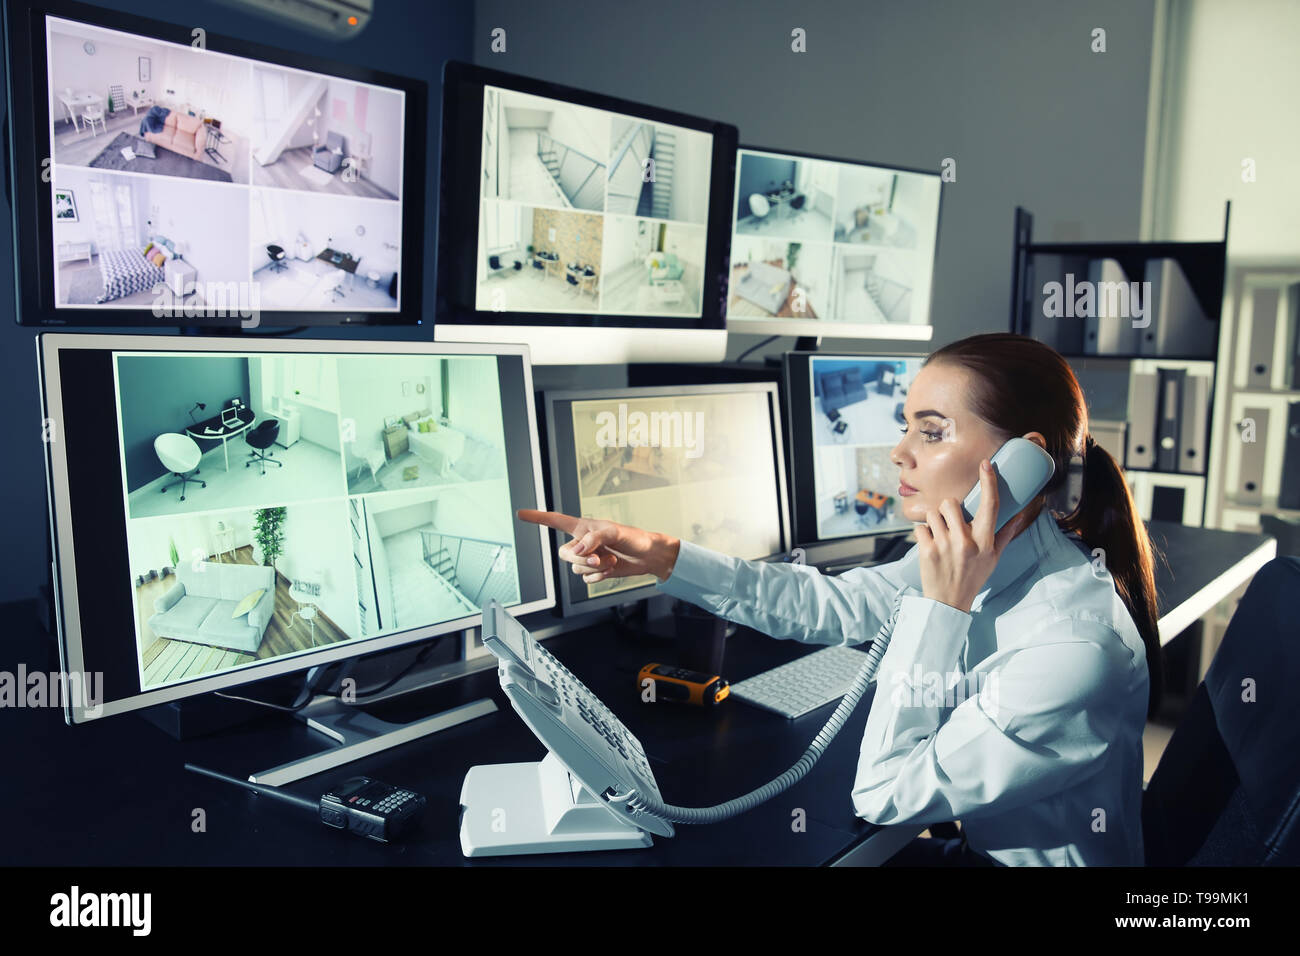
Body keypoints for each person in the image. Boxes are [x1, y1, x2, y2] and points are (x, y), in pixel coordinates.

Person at [520, 333, 1164, 866]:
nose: (900, 452)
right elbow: (828, 605)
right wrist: (661, 554)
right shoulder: (980, 555)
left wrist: (940, 613)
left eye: (932, 433)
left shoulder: (1074, 650)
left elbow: (885, 794)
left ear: (1024, 462)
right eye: (907, 426)